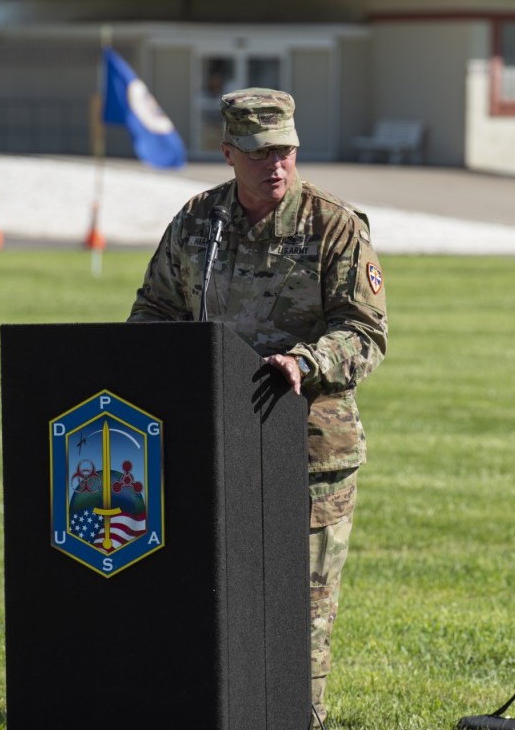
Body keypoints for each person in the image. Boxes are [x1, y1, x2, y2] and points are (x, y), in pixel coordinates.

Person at [126, 88, 388, 725]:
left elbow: (364, 332)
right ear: (228, 153)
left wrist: (305, 363)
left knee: (301, 609)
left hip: (309, 451)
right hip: (213, 445)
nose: (276, 165)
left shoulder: (333, 226)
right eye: (259, 152)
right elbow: (154, 311)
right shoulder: (198, 223)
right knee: (214, 598)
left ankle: (297, 717)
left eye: (285, 151)